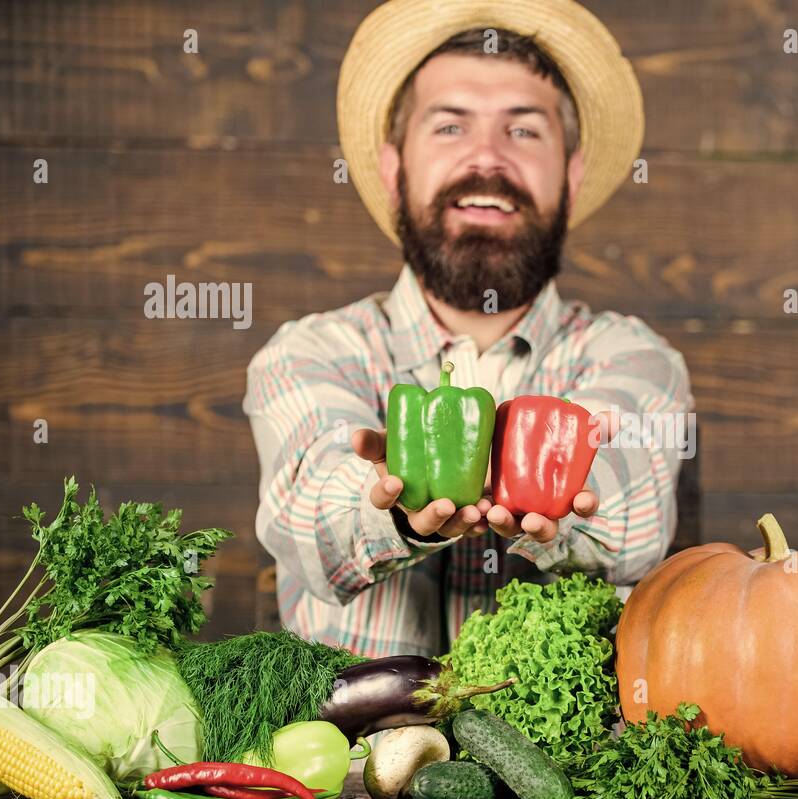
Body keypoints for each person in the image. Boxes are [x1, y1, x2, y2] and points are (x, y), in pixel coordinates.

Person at [243, 1, 692, 658]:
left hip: (564, 765)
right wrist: (395, 505)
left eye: (525, 131)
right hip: (349, 762)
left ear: (571, 175)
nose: (487, 158)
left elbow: (634, 518)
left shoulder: (634, 358)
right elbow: (308, 511)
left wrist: (554, 502)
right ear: (395, 172)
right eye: (450, 127)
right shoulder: (312, 352)